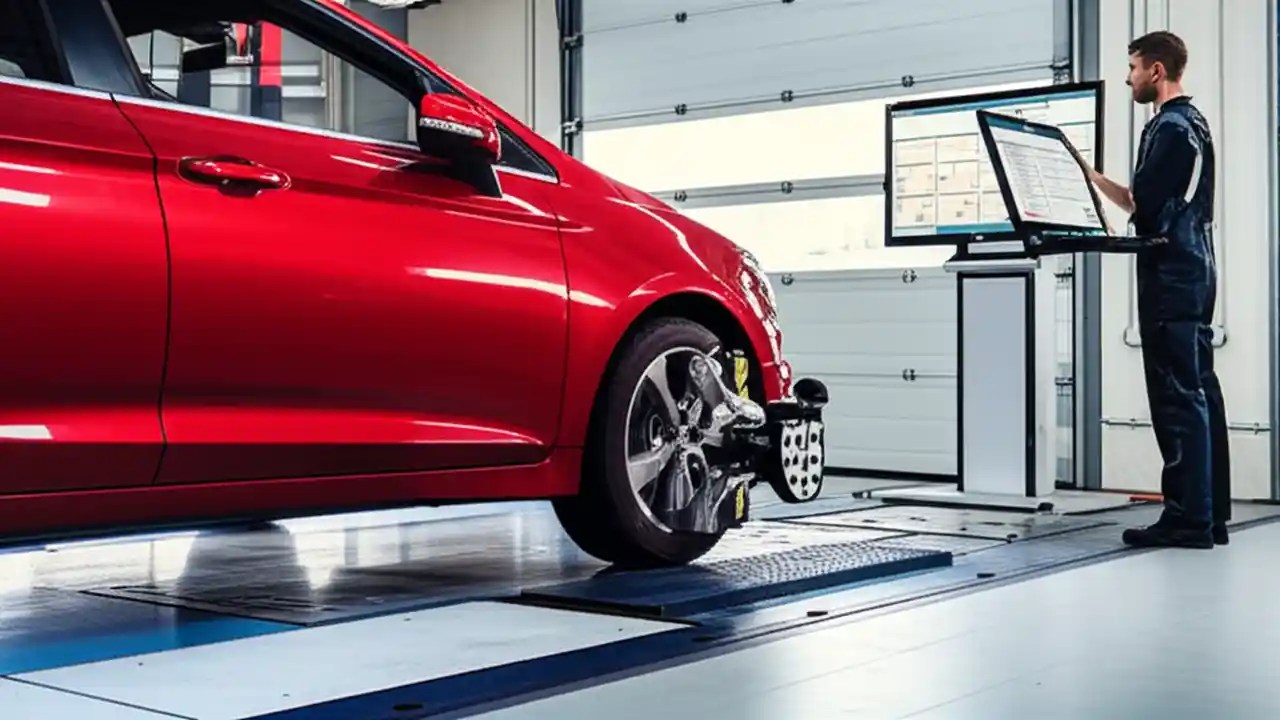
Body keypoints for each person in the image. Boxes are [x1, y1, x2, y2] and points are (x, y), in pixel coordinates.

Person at [1071, 30, 1231, 548]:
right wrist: (1094, 177)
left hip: (1171, 277)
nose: (1128, 79)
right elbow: (1156, 201)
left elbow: (1144, 208)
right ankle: (1210, 516)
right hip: (1196, 270)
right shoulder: (1195, 123)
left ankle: (1186, 520)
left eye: (1133, 68)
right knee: (1200, 389)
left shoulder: (1168, 127)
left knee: (1175, 397)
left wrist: (1090, 189)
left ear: (1156, 71)